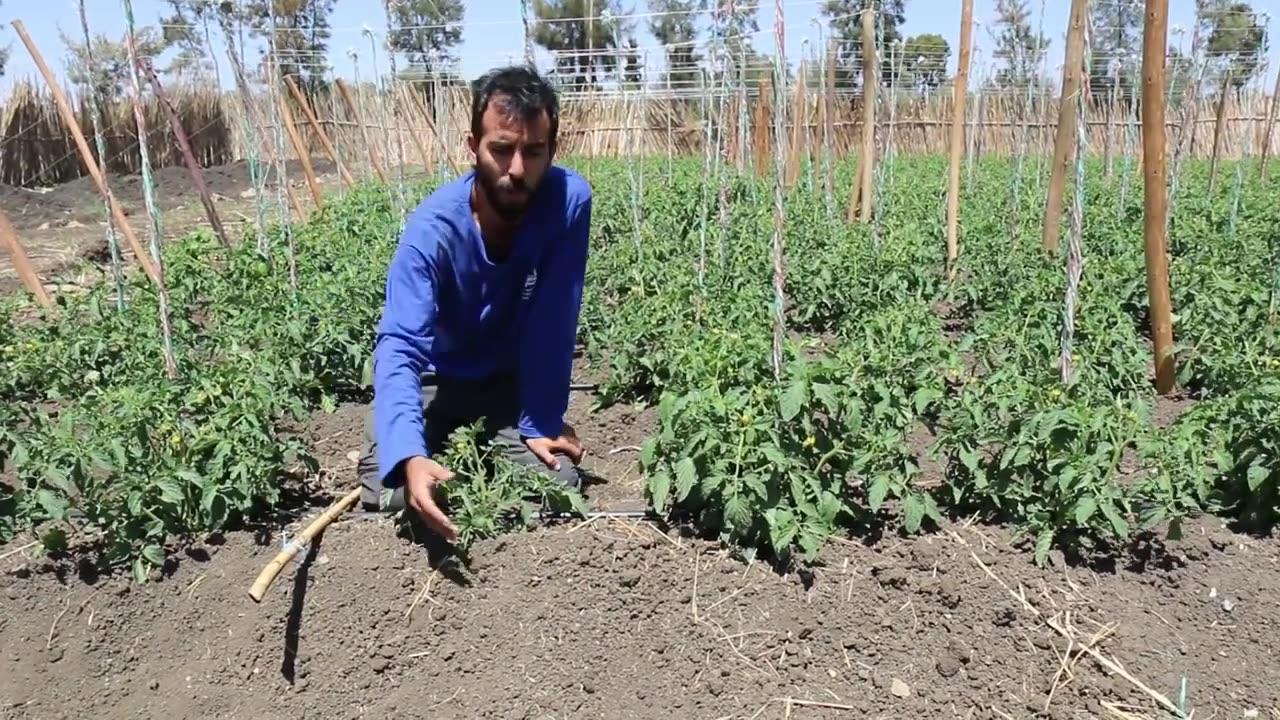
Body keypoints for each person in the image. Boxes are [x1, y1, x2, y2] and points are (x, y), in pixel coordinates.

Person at [356, 65, 591, 543]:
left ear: (553, 151)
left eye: (534, 152)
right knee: (396, 491)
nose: (518, 169)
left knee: (561, 483)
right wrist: (408, 454)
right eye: (501, 150)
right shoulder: (432, 233)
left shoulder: (568, 203)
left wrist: (540, 420)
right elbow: (400, 344)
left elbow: (555, 316)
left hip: (506, 387)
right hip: (434, 386)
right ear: (472, 147)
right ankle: (411, 448)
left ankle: (484, 450)